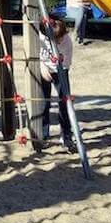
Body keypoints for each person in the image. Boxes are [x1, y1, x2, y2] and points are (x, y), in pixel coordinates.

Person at [38, 18, 76, 150]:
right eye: (56, 39)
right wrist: (42, 67)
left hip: (60, 70)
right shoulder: (40, 38)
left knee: (64, 103)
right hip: (43, 70)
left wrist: (56, 69)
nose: (59, 41)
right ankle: (43, 132)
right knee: (43, 102)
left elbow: (66, 64)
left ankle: (66, 135)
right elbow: (35, 55)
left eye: (60, 38)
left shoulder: (66, 42)